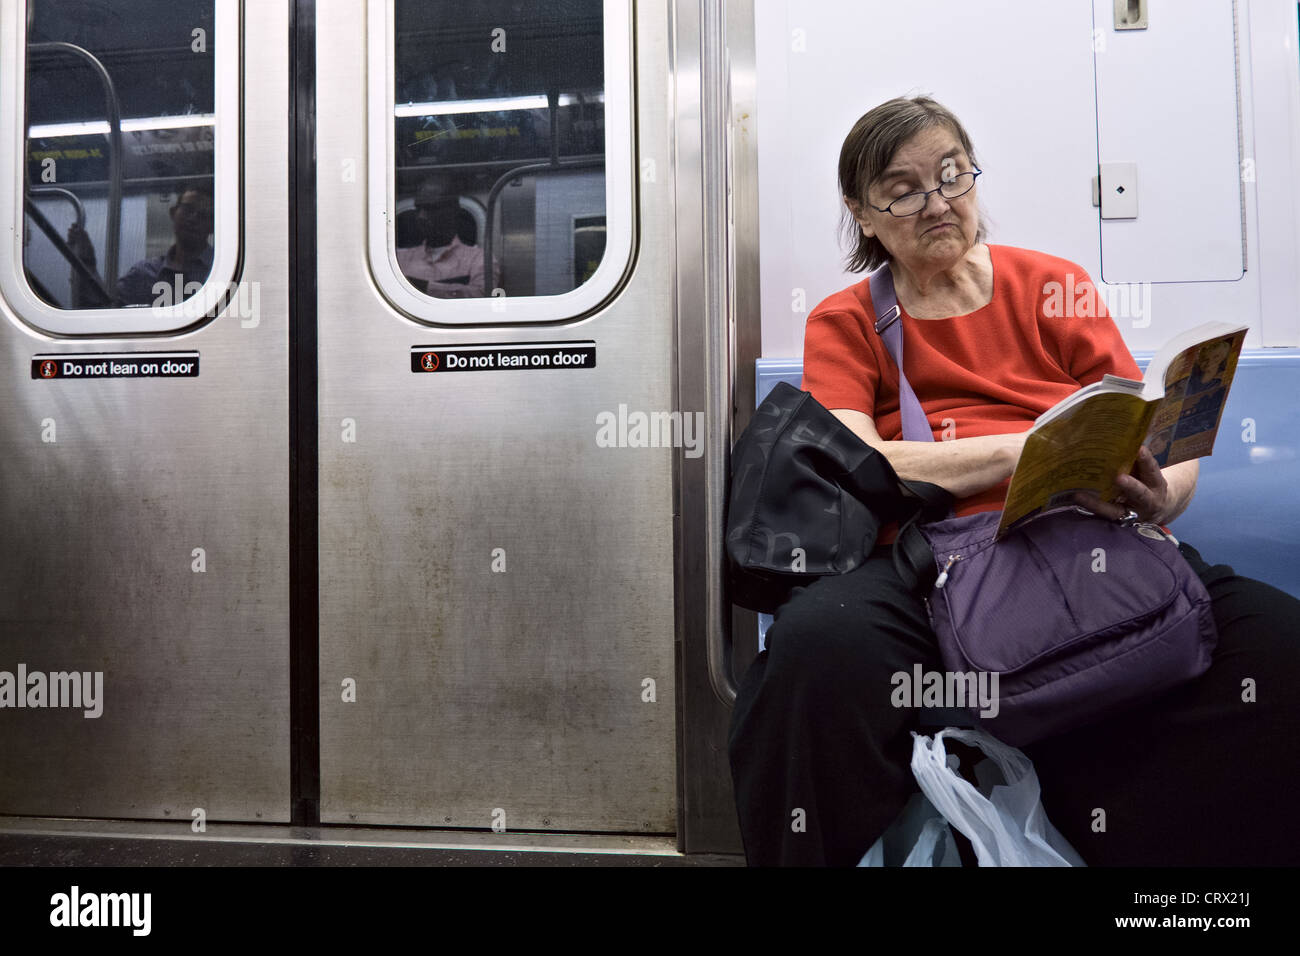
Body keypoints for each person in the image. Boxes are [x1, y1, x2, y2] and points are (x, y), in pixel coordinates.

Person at [727, 95, 1300, 866]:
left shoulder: (1050, 284)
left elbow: (1151, 433)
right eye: (902, 189)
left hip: (1081, 532)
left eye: (952, 174)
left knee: (1276, 647)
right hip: (930, 559)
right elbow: (864, 455)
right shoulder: (846, 318)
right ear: (863, 214)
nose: (938, 202)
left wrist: (1163, 493)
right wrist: (1025, 450)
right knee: (812, 652)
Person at [66, 182, 214, 307]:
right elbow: (106, 310)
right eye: (188, 209)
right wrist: (86, 264)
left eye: (204, 214)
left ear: (213, 225)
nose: (193, 218)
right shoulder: (144, 274)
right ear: (173, 213)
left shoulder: (221, 269)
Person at [396, 179, 493, 298]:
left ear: (453, 211)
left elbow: (483, 295)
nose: (421, 216)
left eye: (431, 208)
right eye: (418, 209)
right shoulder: (398, 259)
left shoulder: (479, 259)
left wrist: (422, 287)